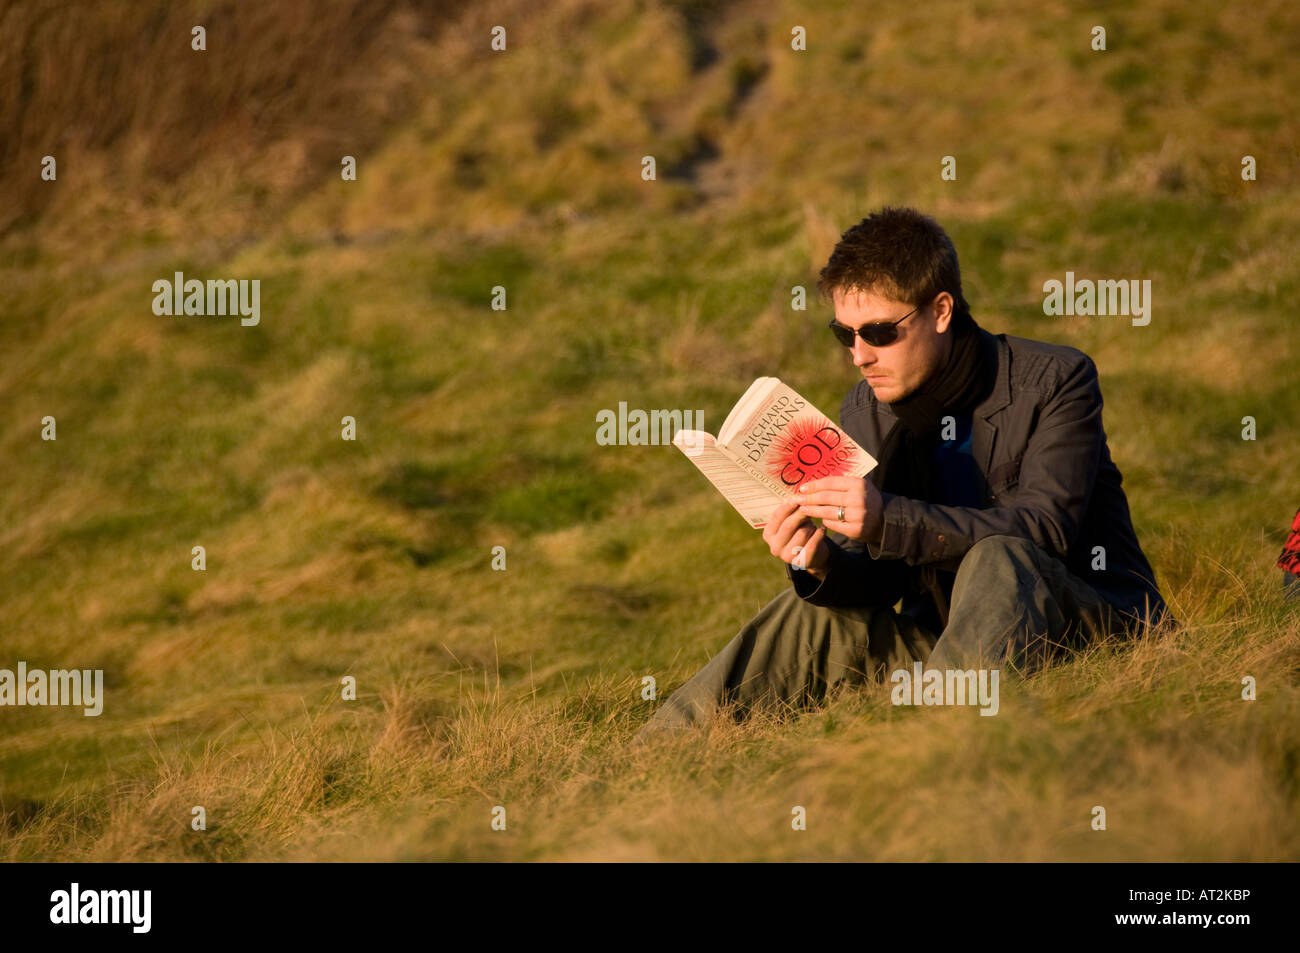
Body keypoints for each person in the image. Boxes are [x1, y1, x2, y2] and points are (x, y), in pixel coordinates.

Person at [637, 206, 1172, 738]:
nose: (859, 356)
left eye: (878, 332)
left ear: (941, 311)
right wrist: (822, 564)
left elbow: (1044, 532)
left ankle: (924, 754)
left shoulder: (1057, 380)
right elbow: (879, 577)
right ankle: (650, 759)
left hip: (1088, 631)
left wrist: (886, 519)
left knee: (999, 556)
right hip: (944, 650)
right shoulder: (864, 410)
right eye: (843, 335)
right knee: (811, 613)